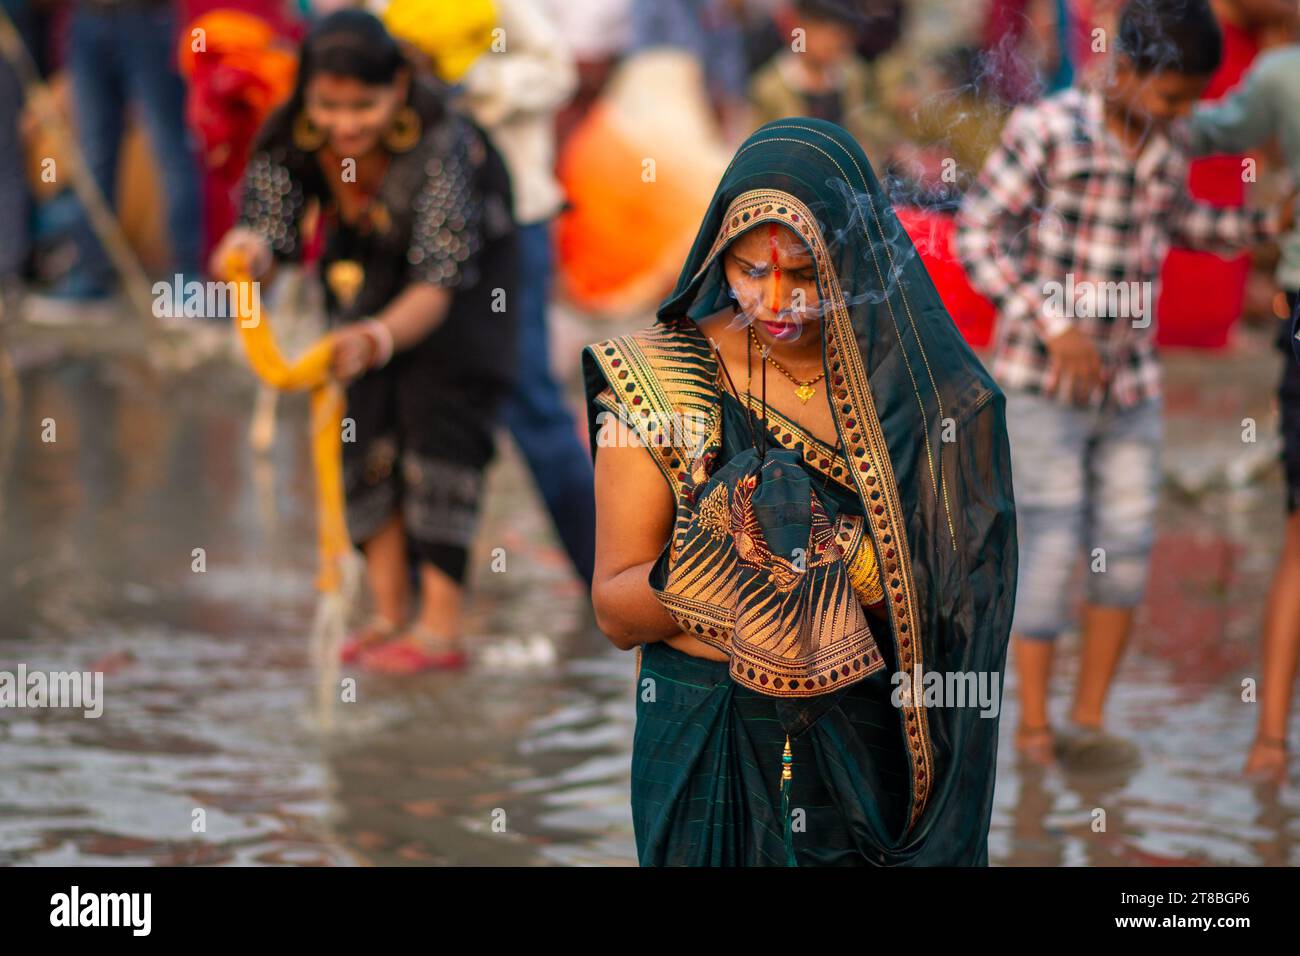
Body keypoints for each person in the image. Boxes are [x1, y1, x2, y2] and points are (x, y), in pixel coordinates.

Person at [584, 118, 1017, 866]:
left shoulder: (929, 401)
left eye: (805, 274)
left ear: (853, 255)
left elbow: (962, 612)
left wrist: (859, 569)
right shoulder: (664, 383)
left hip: (865, 752)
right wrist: (733, 573)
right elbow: (616, 610)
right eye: (751, 271)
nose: (776, 300)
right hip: (705, 733)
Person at [956, 0, 1290, 768]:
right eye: (1172, 97)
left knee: (1127, 548)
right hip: (1042, 383)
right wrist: (1054, 323)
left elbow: (1177, 223)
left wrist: (1262, 227)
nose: (1181, 116)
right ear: (1127, 70)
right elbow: (978, 232)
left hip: (1131, 386)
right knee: (1045, 547)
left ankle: (1089, 718)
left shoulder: (1165, 143)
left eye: (1190, 103)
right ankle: (1035, 732)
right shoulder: (1047, 131)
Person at [212, 10, 516, 673]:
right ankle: (387, 613)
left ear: (400, 86)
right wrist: (249, 250)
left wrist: (378, 335)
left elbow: (440, 278)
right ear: (306, 92)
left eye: (365, 105)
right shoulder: (289, 132)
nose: (346, 123)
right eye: (328, 104)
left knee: (442, 428)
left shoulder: (444, 142)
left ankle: (440, 628)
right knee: (365, 423)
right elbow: (271, 222)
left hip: (465, 287)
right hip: (364, 265)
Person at [1186, 37, 1300, 779]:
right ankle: (1267, 745)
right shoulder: (1284, 73)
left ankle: (1267, 745)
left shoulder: (1283, 72)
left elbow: (1196, 129)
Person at [58, 0, 203, 300]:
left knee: (171, 148)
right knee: (93, 152)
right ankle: (91, 272)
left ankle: (189, 279)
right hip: (88, 16)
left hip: (148, 17)